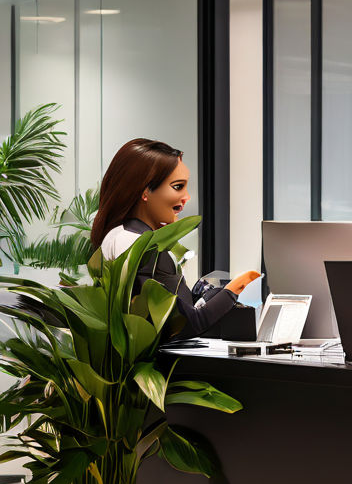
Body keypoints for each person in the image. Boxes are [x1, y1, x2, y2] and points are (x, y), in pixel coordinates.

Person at [90, 138, 260, 340]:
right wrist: (234, 289)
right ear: (145, 191)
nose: (187, 197)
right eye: (178, 187)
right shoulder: (146, 247)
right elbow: (189, 324)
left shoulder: (115, 235)